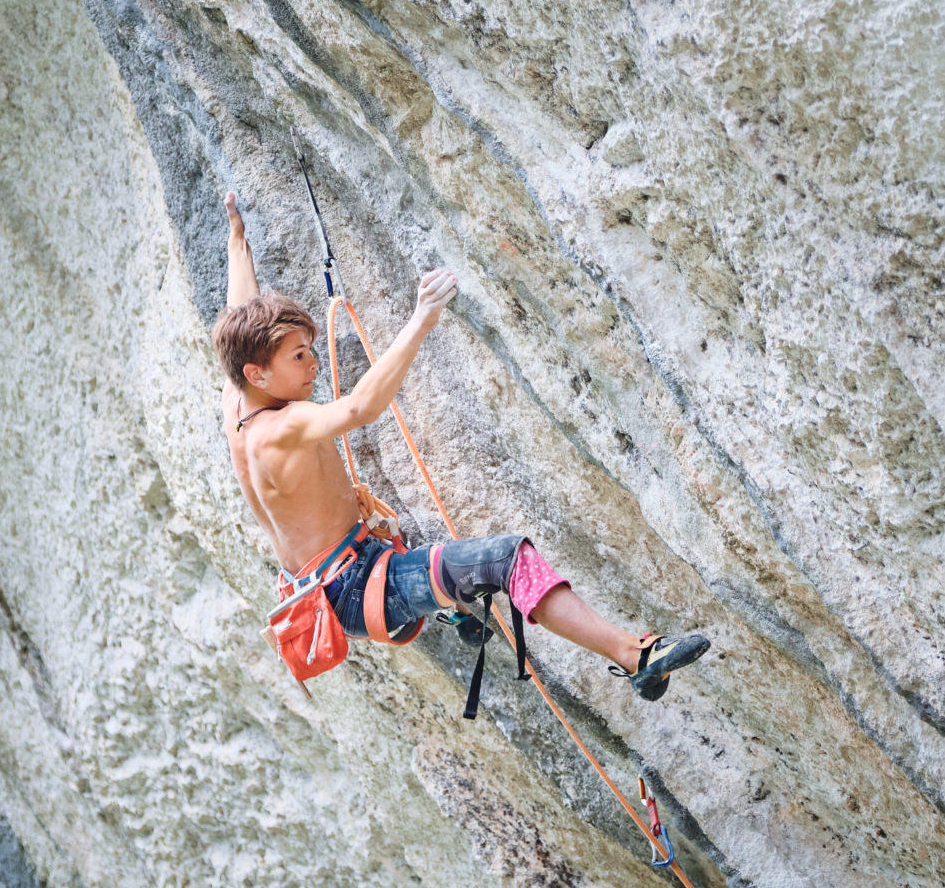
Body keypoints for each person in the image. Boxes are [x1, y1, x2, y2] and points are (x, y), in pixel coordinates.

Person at [214, 192, 710, 701]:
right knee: (506, 559)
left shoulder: (239, 401)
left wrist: (237, 240)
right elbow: (359, 408)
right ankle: (635, 655)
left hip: (334, 583)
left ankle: (451, 603)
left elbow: (239, 309)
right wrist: (422, 318)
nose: (313, 364)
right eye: (299, 356)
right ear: (260, 372)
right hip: (363, 586)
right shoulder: (285, 425)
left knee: (452, 565)